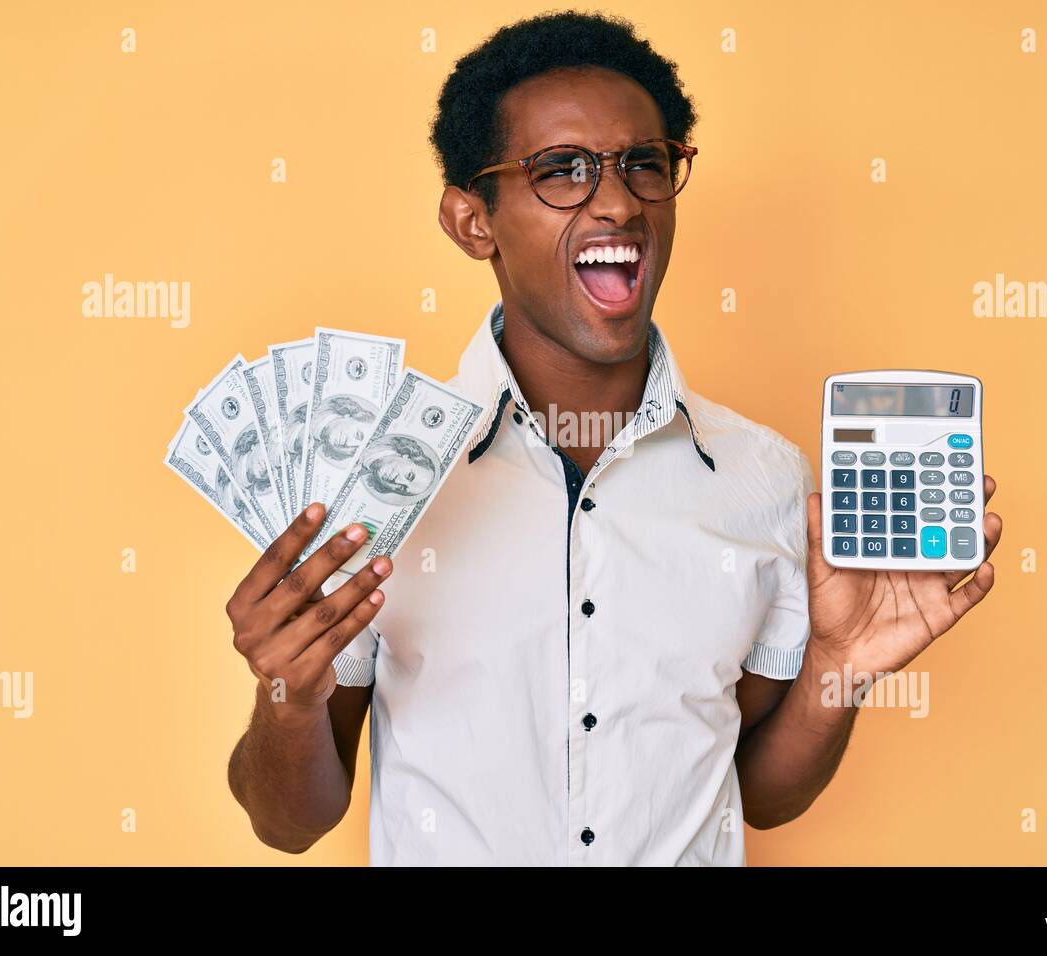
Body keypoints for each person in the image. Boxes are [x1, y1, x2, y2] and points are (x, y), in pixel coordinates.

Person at [224, 10, 1002, 865]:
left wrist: (839, 667)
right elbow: (289, 822)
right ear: (470, 221)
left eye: (644, 164)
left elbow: (758, 792)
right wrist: (285, 697)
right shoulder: (375, 482)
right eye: (561, 169)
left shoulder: (765, 478)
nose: (619, 201)